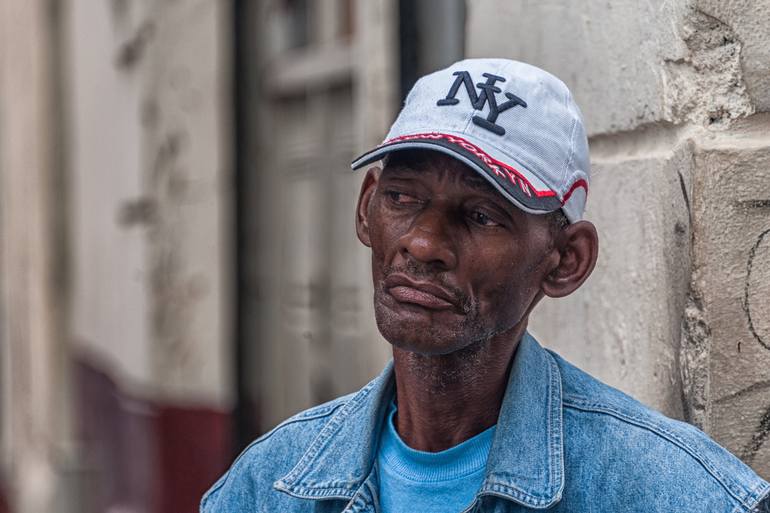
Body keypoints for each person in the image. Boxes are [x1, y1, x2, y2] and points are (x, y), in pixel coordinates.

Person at [201, 59, 770, 512]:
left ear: (565, 261)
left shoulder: (669, 493)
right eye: (402, 198)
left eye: (481, 215)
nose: (422, 244)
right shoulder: (269, 486)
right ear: (366, 208)